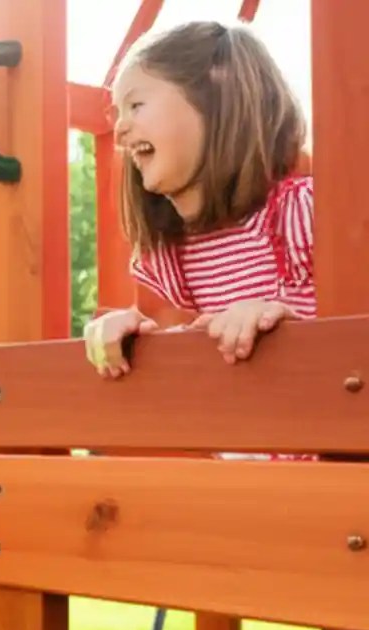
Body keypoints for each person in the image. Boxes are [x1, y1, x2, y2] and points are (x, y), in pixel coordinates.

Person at [84, 20, 312, 377]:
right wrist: (131, 336)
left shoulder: (299, 217)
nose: (120, 129)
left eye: (136, 105)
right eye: (118, 114)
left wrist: (286, 321)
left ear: (215, 100)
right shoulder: (177, 255)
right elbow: (192, 356)